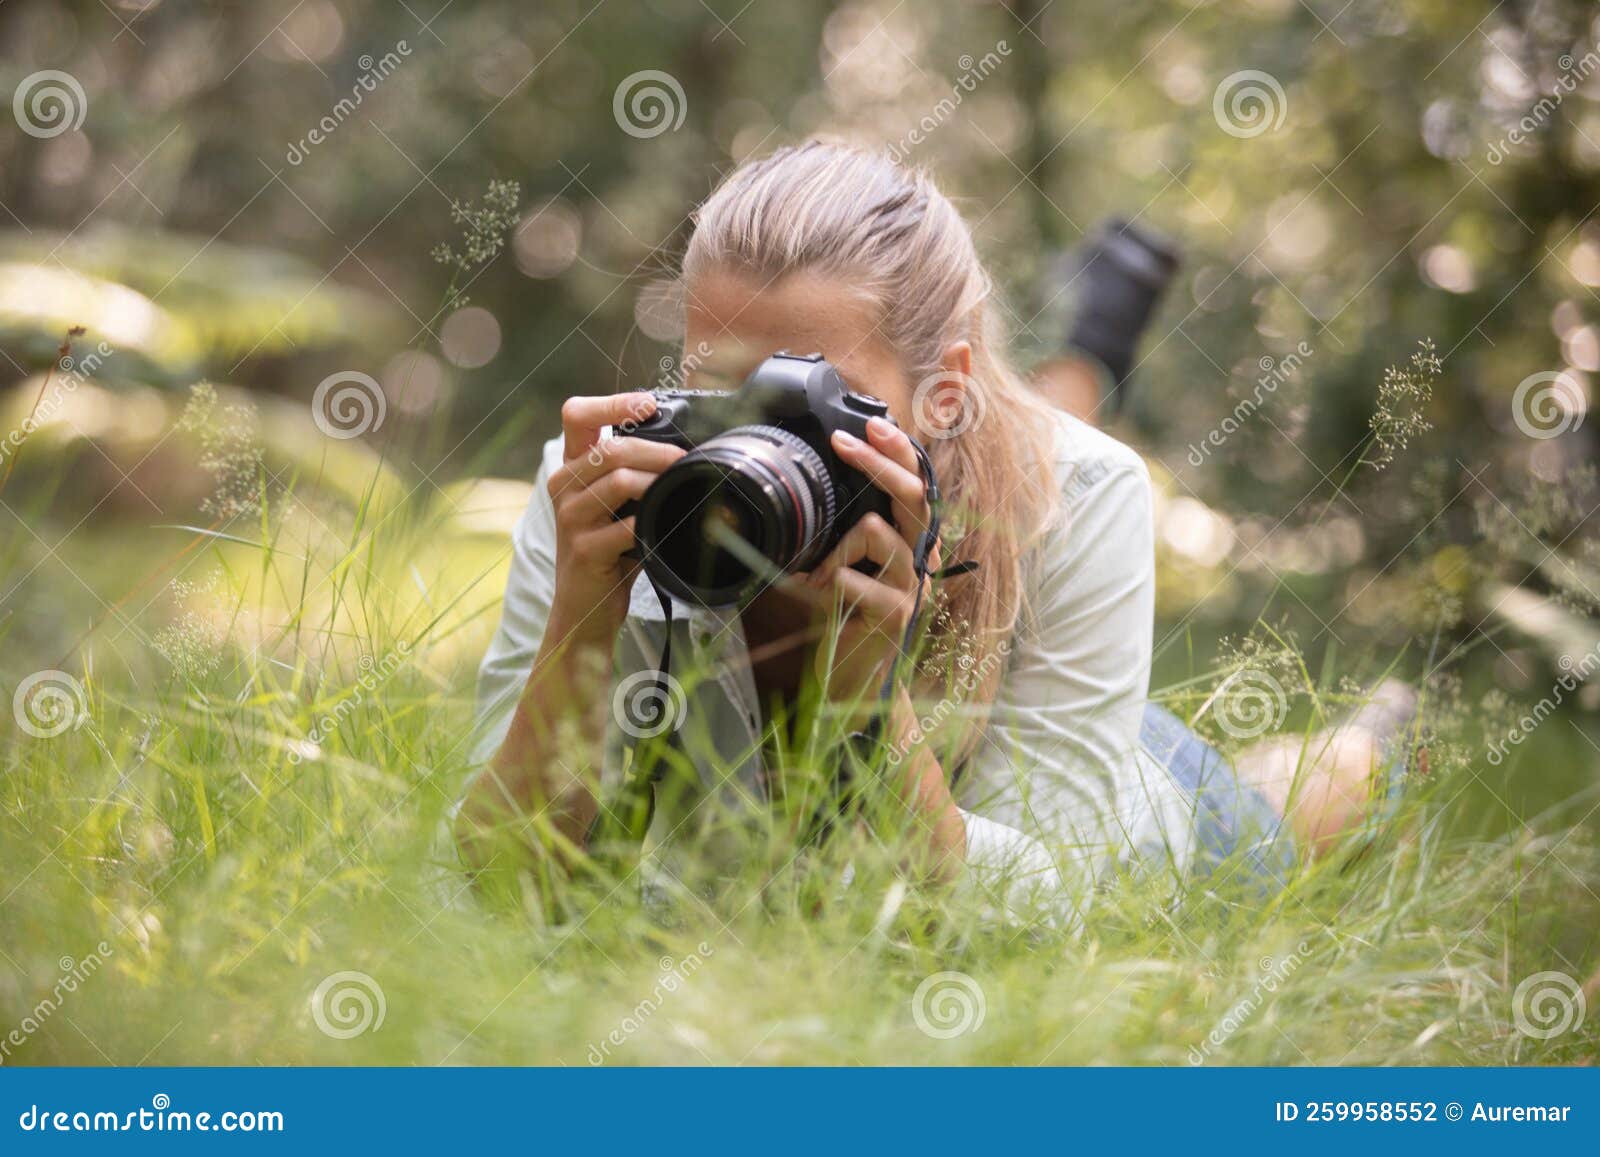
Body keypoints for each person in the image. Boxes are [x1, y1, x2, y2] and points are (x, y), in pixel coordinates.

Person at [455, 140, 1409, 926]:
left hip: (1135, 805)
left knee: (1298, 809)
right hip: (1023, 681)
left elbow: (1048, 915)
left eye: (807, 402)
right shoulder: (608, 488)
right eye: (724, 390)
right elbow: (500, 886)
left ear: (938, 388)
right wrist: (582, 617)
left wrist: (872, 699)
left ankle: (1379, 731)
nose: (752, 442)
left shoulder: (1085, 492)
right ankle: (1092, 348)